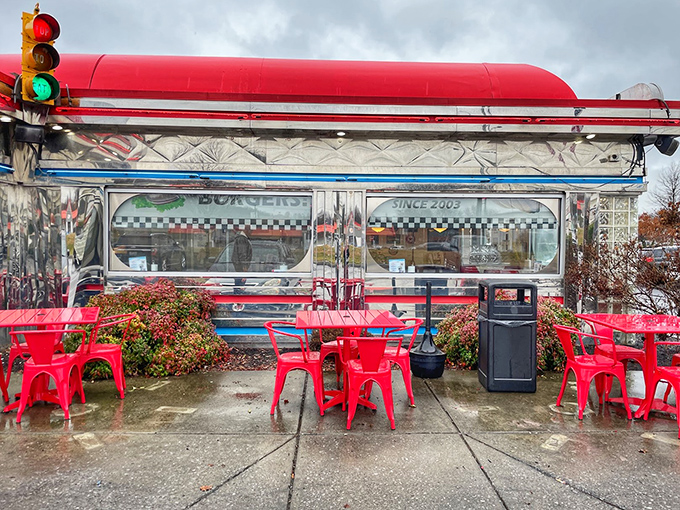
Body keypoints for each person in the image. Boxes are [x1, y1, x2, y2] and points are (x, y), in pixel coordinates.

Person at [231, 226, 252, 292]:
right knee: (240, 290)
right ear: (246, 230)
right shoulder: (242, 239)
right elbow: (242, 254)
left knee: (238, 288)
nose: (251, 232)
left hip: (239, 268)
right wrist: (244, 270)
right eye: (250, 230)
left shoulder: (241, 239)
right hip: (240, 269)